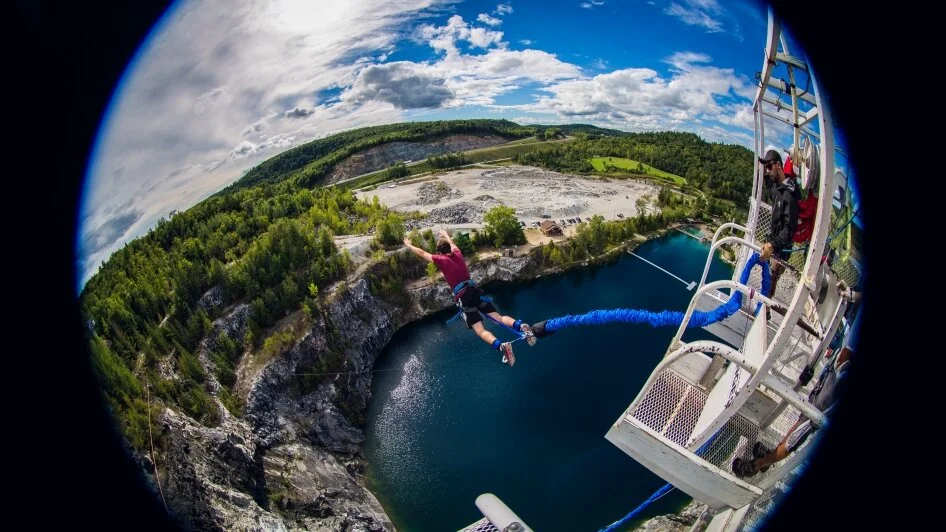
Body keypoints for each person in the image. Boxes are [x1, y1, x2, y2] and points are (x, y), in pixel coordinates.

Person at [732, 307, 859, 478]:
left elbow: (847, 351)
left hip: (836, 385)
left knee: (803, 428)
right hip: (833, 375)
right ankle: (769, 456)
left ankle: (758, 464)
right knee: (802, 418)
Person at [402, 230, 535, 367]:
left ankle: (502, 346)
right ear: (449, 248)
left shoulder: (441, 260)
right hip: (476, 291)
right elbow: (453, 243)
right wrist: (446, 235)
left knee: (480, 330)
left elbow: (423, 253)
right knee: (499, 318)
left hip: (464, 297)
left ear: (440, 253)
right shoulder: (458, 254)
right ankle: (521, 325)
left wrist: (409, 245)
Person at [758, 149, 801, 299]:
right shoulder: (778, 189)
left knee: (771, 278)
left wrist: (773, 245)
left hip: (781, 249)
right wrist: (763, 168)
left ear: (778, 165)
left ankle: (765, 310)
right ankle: (764, 308)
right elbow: (769, 185)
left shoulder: (790, 194)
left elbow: (789, 230)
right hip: (774, 244)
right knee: (768, 278)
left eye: (769, 167)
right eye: (766, 168)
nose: (768, 171)